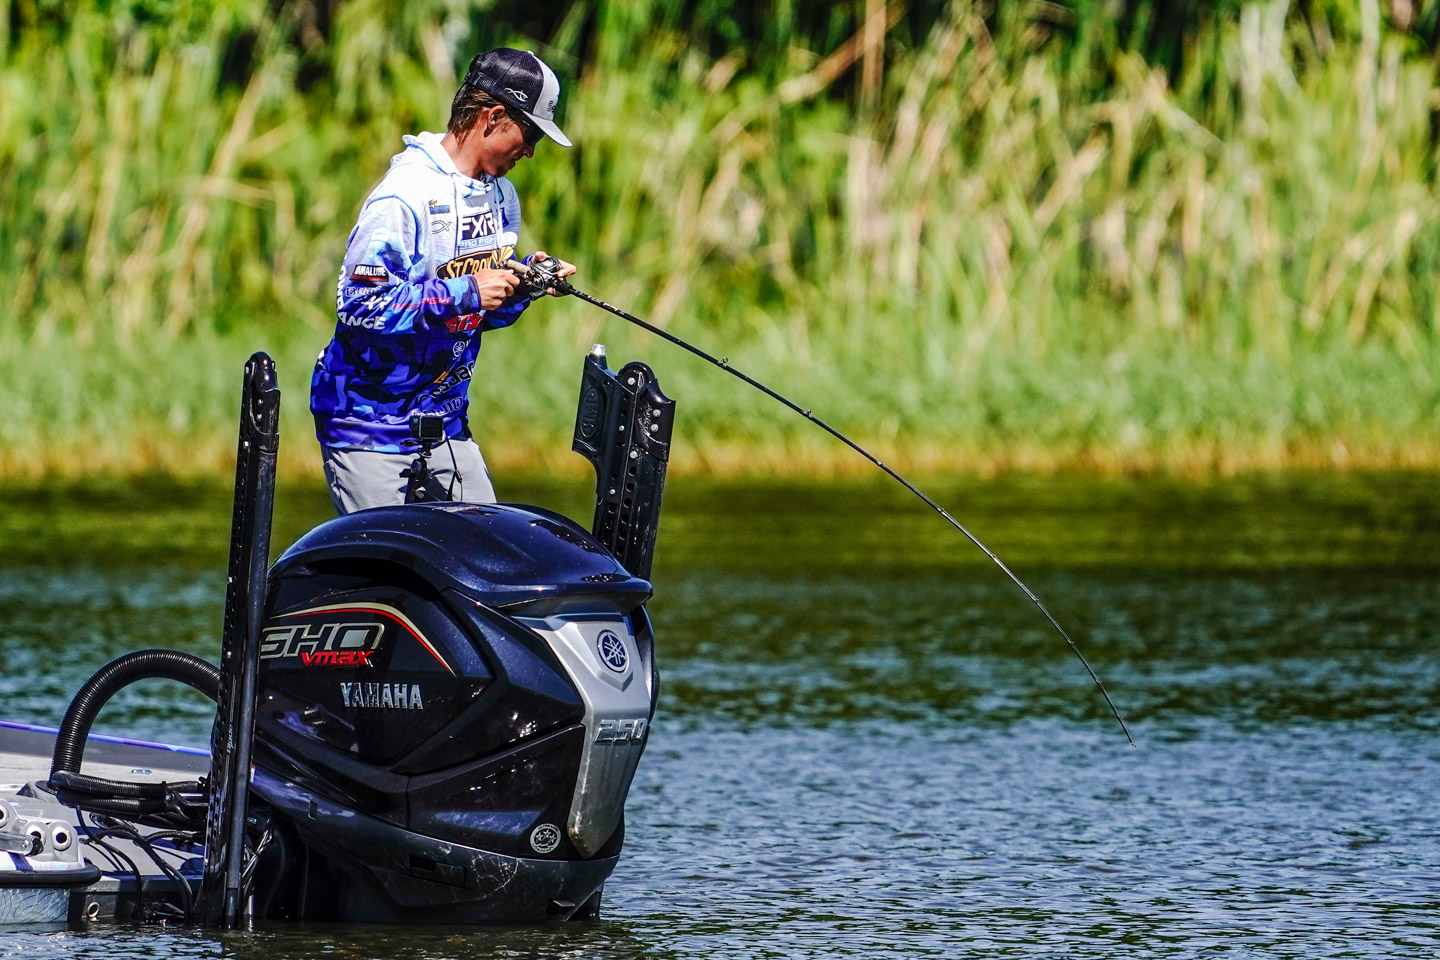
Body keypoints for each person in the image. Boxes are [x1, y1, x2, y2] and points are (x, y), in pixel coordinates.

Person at [311, 47, 576, 515]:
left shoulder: (502, 197)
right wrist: (469, 290)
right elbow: (357, 305)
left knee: (488, 563)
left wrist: (526, 287)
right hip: (369, 430)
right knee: (390, 580)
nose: (531, 150)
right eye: (529, 133)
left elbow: (477, 317)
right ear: (493, 117)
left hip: (448, 429)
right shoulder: (403, 196)